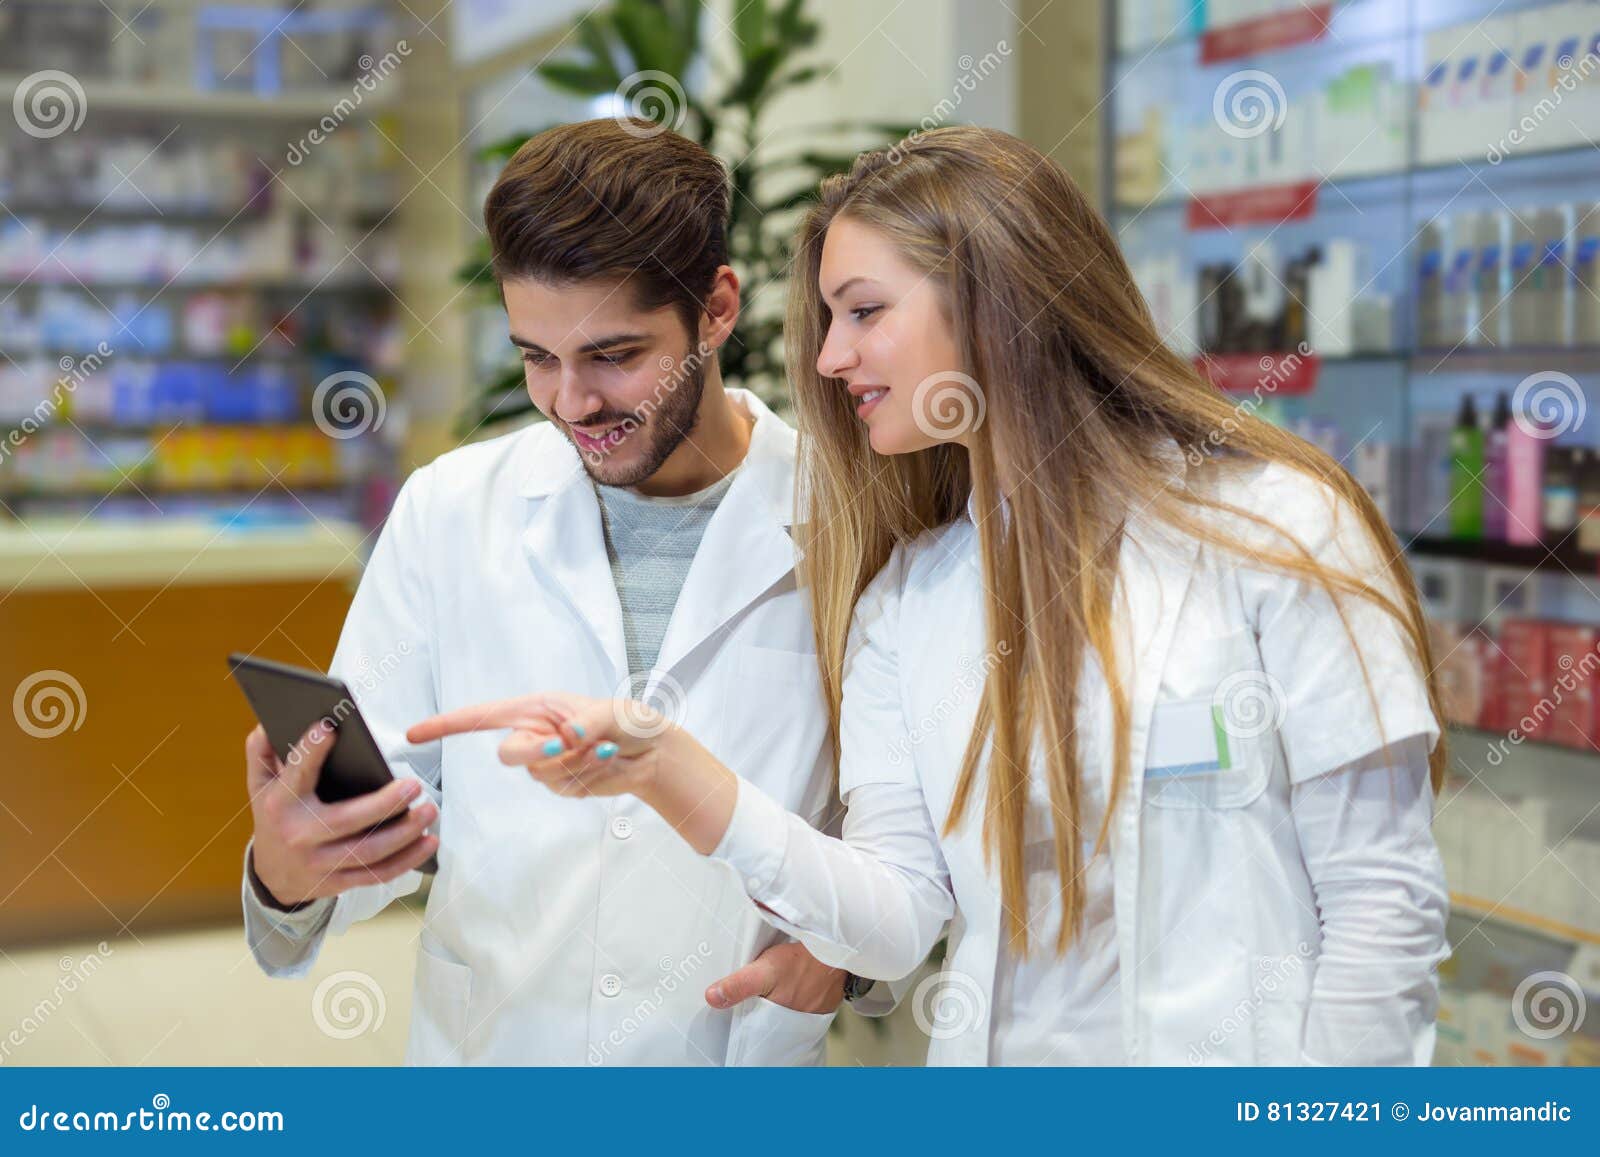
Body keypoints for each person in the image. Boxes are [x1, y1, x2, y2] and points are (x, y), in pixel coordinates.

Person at [409, 125, 1453, 1066]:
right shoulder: (913, 595)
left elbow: (1381, 906)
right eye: (829, 317)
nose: (830, 357)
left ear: (1001, 301)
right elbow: (897, 916)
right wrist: (670, 769)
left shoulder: (1276, 527)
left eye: (865, 311)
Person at [240, 119, 850, 1066]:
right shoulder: (451, 510)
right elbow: (378, 808)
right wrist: (289, 877)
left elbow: (916, 827)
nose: (572, 403)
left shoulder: (849, 520)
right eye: (536, 357)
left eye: (614, 355)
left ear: (717, 309)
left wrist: (843, 959)